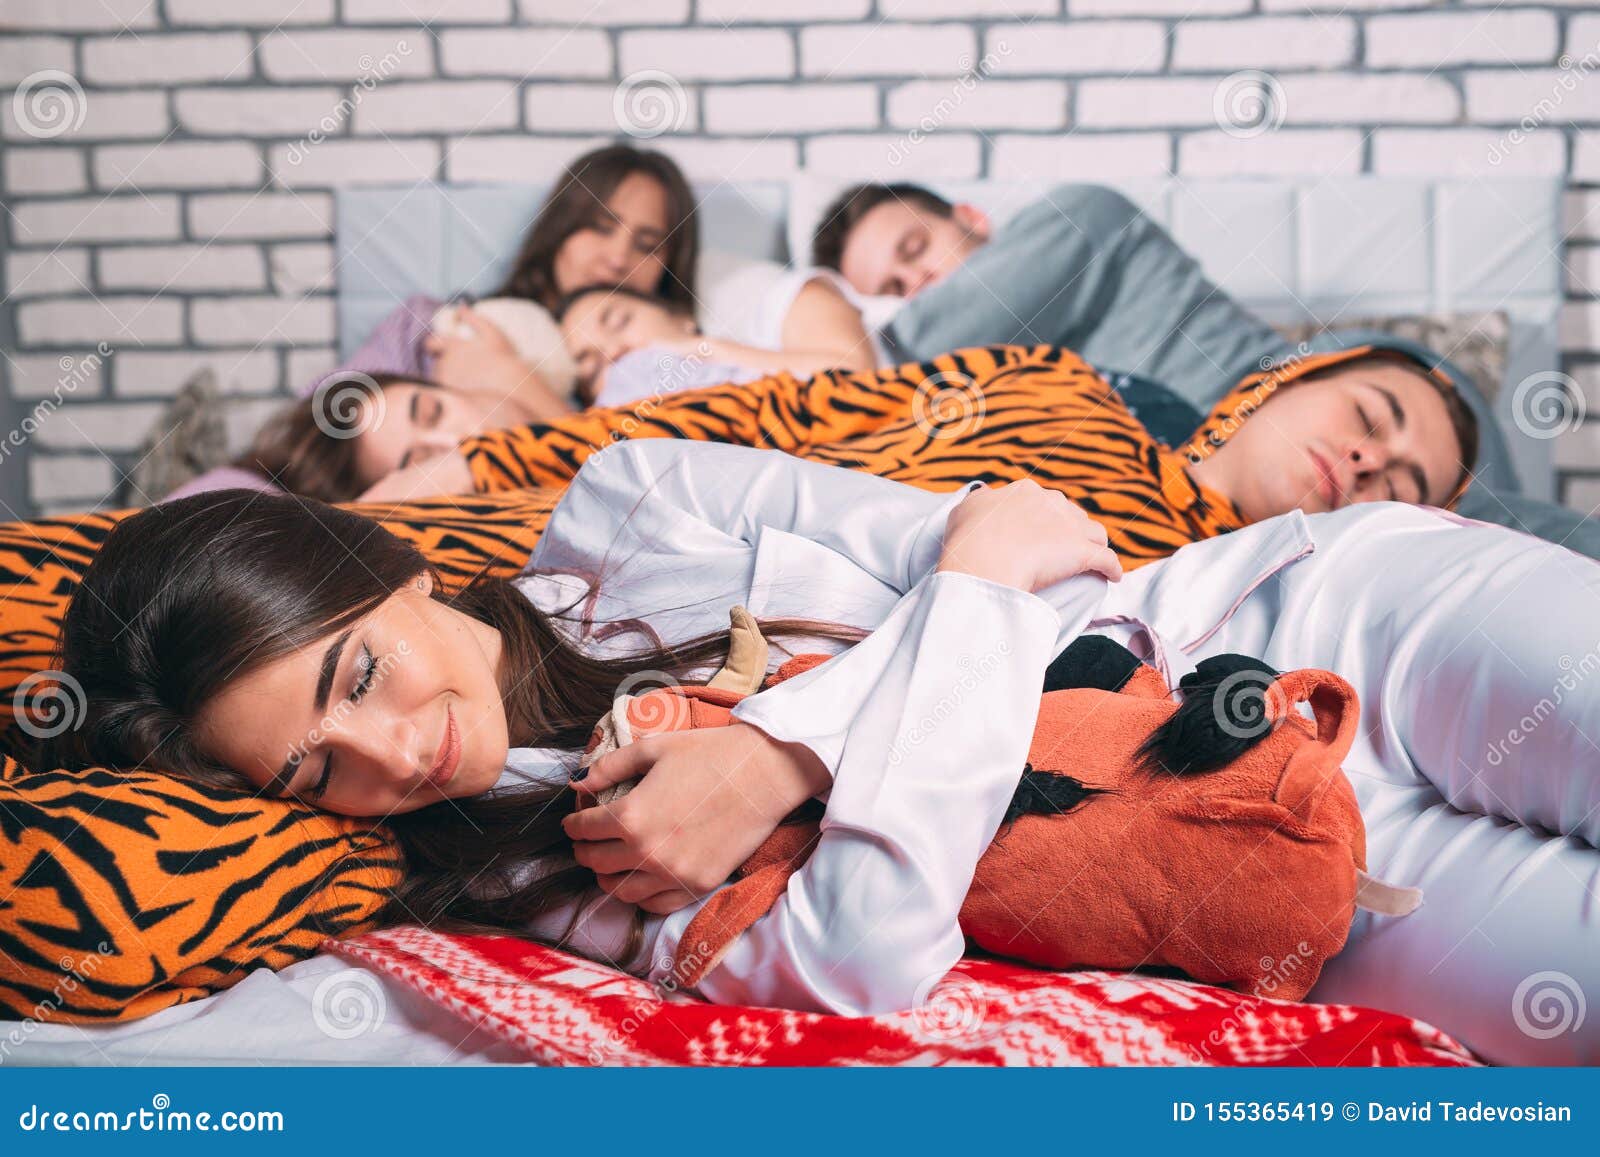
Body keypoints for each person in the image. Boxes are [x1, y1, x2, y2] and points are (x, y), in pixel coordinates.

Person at [45, 438, 1600, 1065]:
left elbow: (1032, 544)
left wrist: (783, 753)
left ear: (383, 568)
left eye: (358, 669)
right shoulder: (544, 888)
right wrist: (955, 619)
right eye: (316, 769)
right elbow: (863, 958)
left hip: (1315, 614)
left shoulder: (630, 502)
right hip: (1265, 880)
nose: (388, 750)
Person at [365, 344, 1477, 572]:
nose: (1371, 459)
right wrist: (483, 459)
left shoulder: (1234, 599)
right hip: (593, 525)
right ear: (1286, 376)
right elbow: (787, 412)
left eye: (1402, 482)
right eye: (1372, 413)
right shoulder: (1054, 378)